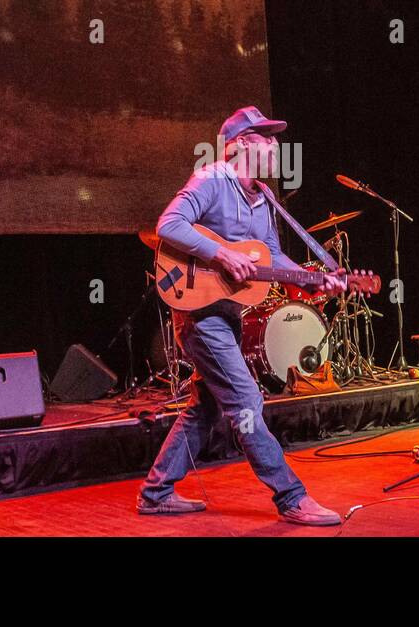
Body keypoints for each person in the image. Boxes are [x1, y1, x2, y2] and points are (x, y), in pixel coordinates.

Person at [138, 106, 347, 525]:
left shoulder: (264, 197)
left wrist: (310, 278)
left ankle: (156, 492)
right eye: (265, 137)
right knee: (247, 401)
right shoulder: (212, 178)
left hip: (227, 313)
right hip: (200, 317)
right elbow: (168, 224)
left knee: (205, 407)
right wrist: (221, 253)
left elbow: (271, 254)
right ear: (240, 146)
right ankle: (291, 496)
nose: (275, 145)